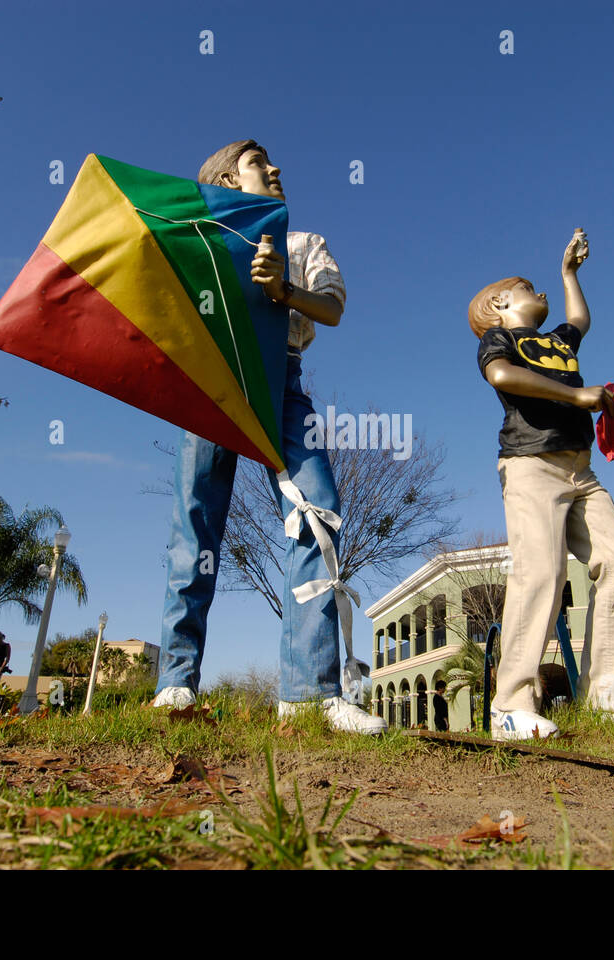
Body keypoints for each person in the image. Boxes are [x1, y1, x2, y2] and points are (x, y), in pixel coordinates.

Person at [153, 140, 386, 736]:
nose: (277, 168)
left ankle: (309, 692)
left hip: (283, 384)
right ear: (230, 176)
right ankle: (176, 684)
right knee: (196, 521)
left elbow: (332, 308)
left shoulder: (304, 244)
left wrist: (283, 290)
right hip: (213, 378)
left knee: (318, 513)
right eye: (261, 163)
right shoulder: (198, 236)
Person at [468, 229, 614, 743]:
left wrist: (569, 273)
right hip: (529, 466)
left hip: (581, 472)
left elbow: (580, 319)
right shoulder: (501, 340)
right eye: (527, 287)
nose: (537, 291)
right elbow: (500, 376)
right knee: (542, 574)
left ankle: (613, 706)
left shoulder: (556, 342)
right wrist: (577, 398)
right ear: (501, 303)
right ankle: (511, 707)